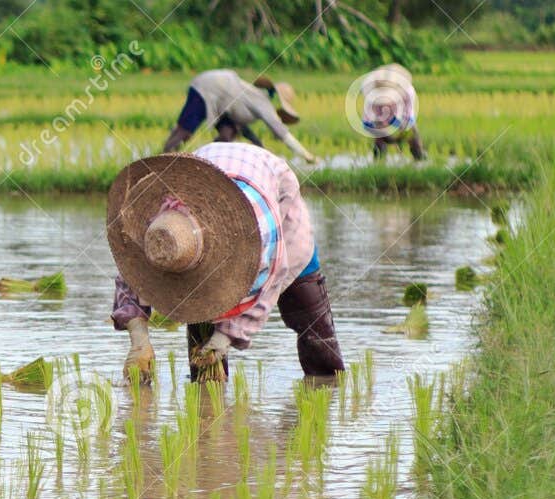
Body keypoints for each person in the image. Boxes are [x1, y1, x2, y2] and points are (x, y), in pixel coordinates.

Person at [109, 141, 344, 385]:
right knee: (202, 334)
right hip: (205, 170)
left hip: (267, 186)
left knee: (307, 309)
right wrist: (139, 341)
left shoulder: (256, 228)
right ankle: (209, 398)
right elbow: (130, 276)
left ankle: (327, 381)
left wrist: (224, 339)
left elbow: (273, 273)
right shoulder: (158, 230)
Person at [162, 70, 318, 164]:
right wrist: (307, 155)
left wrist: (260, 147)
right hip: (208, 87)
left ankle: (208, 162)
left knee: (227, 134)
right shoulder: (263, 103)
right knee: (185, 131)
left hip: (221, 96)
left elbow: (244, 130)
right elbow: (283, 134)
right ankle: (164, 159)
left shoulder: (253, 96)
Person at [358, 63, 426, 161]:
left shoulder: (407, 92)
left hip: (401, 117)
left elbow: (408, 115)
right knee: (379, 136)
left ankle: (418, 157)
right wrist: (383, 129)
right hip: (380, 120)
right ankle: (379, 162)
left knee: (412, 132)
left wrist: (399, 127)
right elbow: (370, 120)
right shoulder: (371, 96)